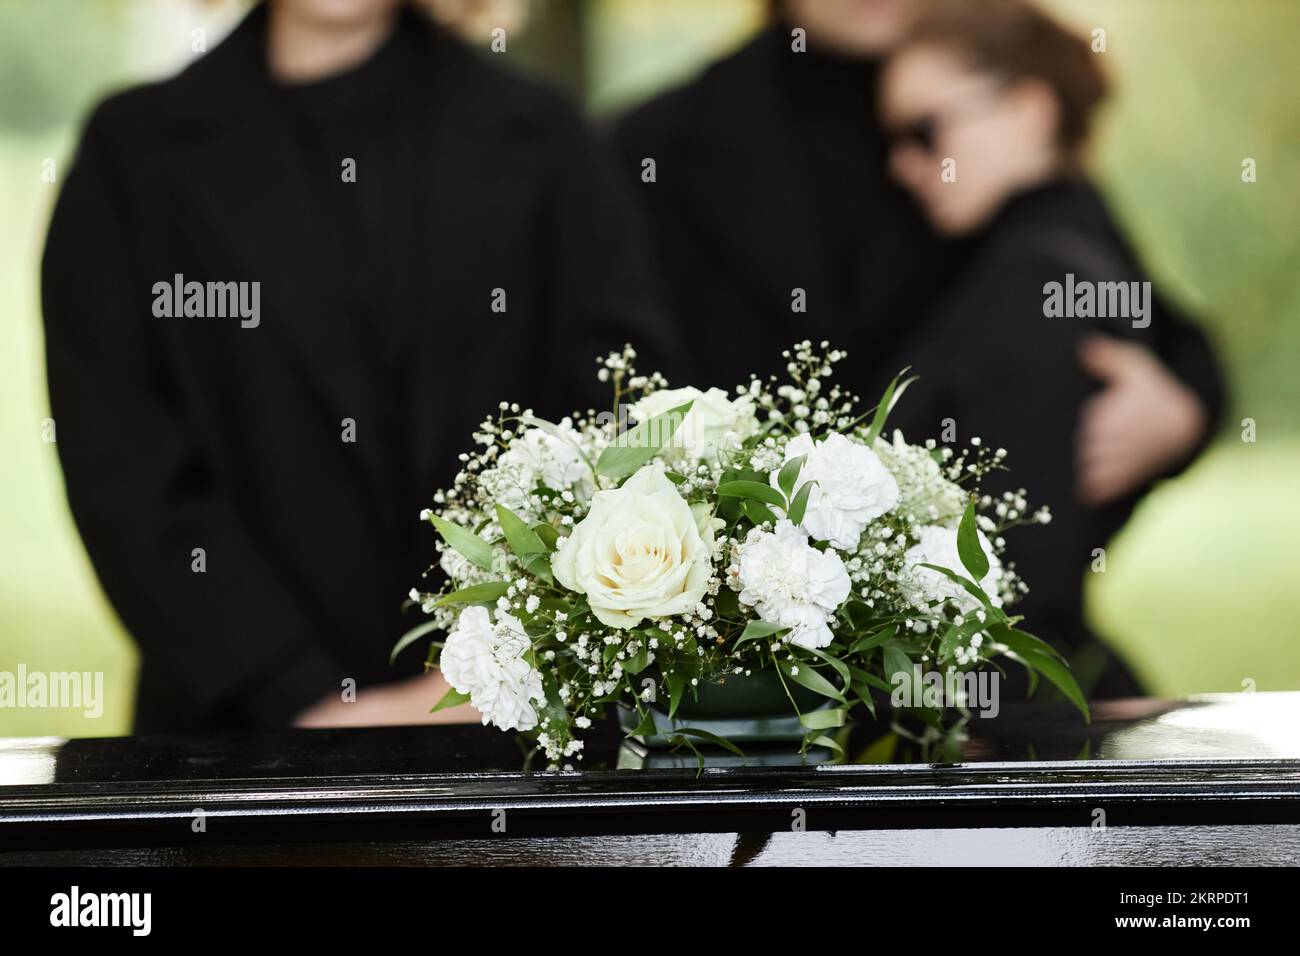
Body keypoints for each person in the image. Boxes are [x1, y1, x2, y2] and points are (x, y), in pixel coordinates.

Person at [42, 0, 669, 732]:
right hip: (235, 745)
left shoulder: (549, 138)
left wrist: (504, 664)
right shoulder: (134, 153)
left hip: (513, 733)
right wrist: (298, 694)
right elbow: (120, 459)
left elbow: (623, 412)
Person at [614, 0, 1222, 696]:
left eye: (923, 135)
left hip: (959, 663)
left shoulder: (981, 98)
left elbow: (1134, 306)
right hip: (732, 635)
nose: (909, 164)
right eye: (904, 136)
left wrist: (1183, 408)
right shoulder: (655, 142)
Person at [878, 0, 1223, 695]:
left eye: (926, 130)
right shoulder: (1070, 246)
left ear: (1030, 110)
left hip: (1007, 716)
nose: (903, 165)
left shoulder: (1037, 274)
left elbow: (1023, 585)